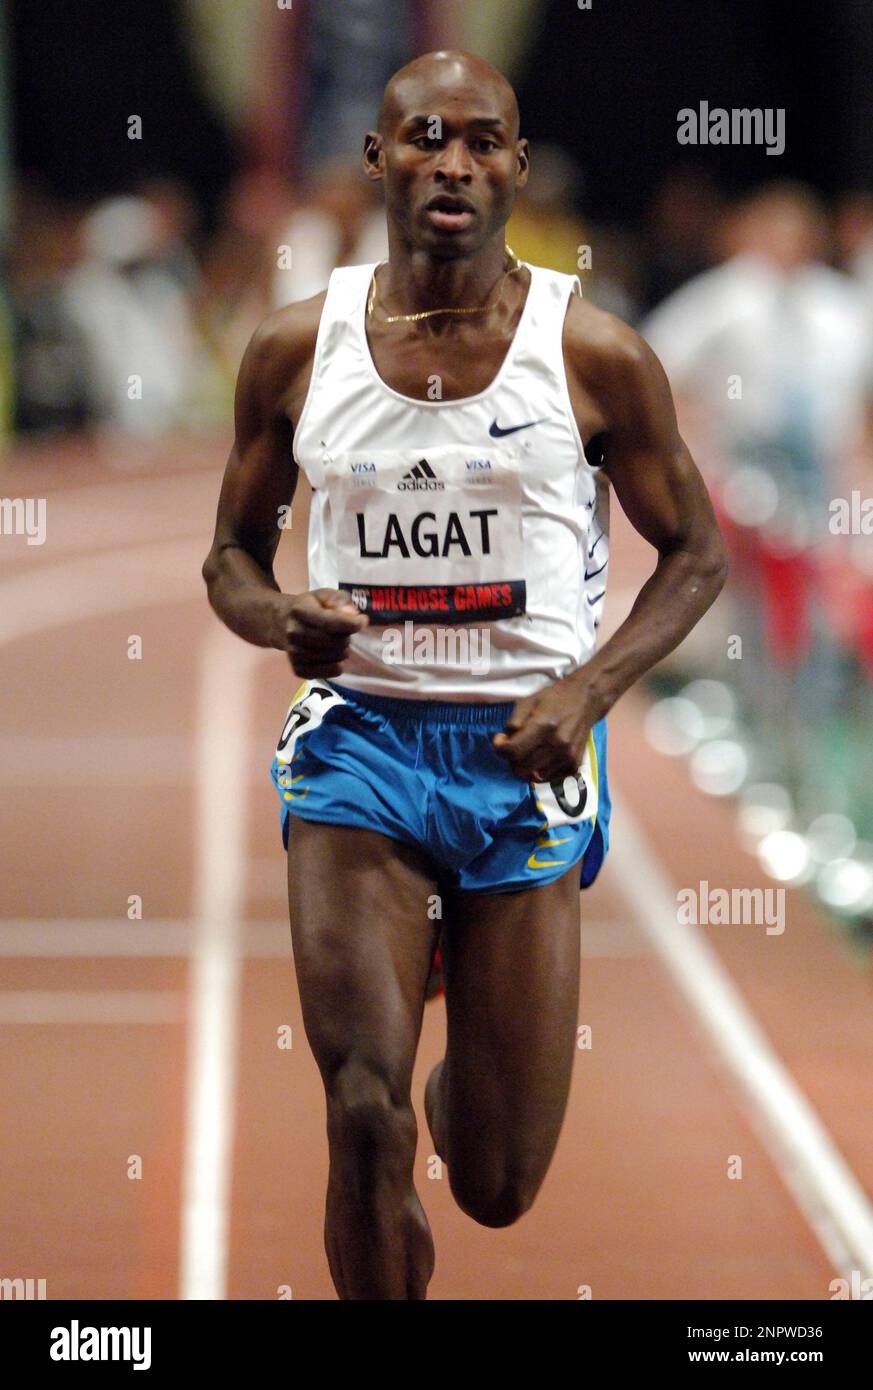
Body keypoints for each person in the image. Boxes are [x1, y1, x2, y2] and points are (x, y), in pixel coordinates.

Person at [202, 49, 728, 1301]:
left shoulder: (593, 355)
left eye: (483, 141)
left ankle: (465, 1035)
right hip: (359, 752)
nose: (454, 162)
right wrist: (283, 619)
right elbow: (226, 558)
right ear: (377, 160)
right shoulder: (294, 349)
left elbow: (698, 558)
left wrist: (588, 690)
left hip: (519, 756)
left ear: (517, 168)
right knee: (365, 1110)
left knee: (494, 1179)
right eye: (427, 137)